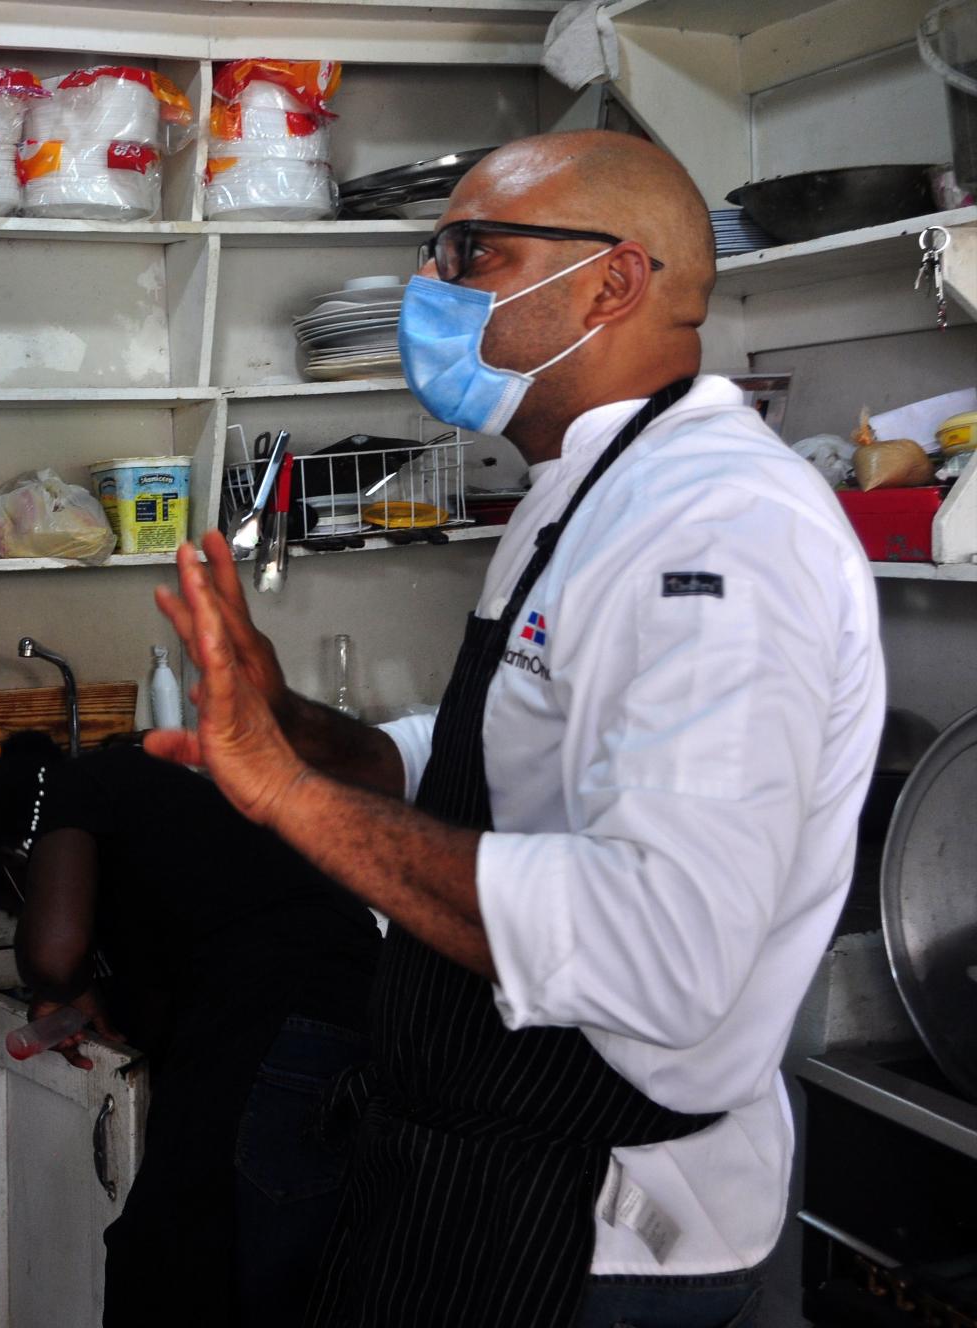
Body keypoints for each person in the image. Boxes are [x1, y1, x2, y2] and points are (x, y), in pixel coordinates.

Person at [148, 130, 883, 1328]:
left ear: (611, 281)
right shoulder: (585, 486)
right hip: (472, 1174)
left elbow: (657, 948)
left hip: (599, 1220)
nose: (427, 288)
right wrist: (295, 726)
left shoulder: (721, 525)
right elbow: (498, 759)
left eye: (471, 252)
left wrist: (288, 792)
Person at [0, 732, 381, 1327]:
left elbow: (52, 956)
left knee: (168, 1276)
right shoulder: (152, 804)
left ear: (19, 864)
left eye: (13, 902)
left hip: (276, 1032)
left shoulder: (69, 788)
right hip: (358, 1021)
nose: (20, 912)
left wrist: (61, 986)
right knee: (288, 1284)